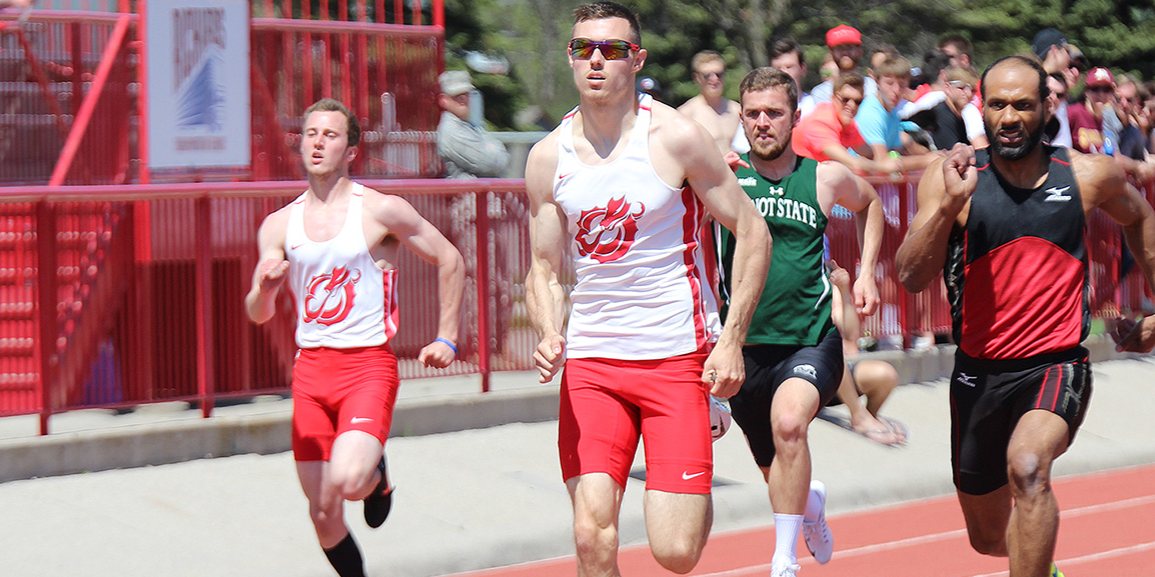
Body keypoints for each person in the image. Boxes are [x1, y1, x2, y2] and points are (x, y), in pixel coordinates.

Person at [523, 3, 772, 575]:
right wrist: (548, 330)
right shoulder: (547, 157)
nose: (595, 60)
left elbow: (753, 231)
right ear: (570, 56)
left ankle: (696, 466)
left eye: (611, 49)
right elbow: (543, 267)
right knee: (590, 534)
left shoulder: (676, 137)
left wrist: (732, 340)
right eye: (583, 48)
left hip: (674, 355)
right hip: (592, 360)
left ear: (636, 59)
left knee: (675, 552)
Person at [895, 55, 1155, 577]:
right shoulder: (951, 179)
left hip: (1057, 365)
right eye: (997, 105)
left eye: (1022, 105)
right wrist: (947, 208)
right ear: (982, 108)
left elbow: (1140, 216)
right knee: (989, 538)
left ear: (1047, 107)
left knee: (1029, 468)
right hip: (978, 372)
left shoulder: (1087, 175)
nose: (1009, 117)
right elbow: (909, 276)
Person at [246, 99, 465, 577]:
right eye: (310, 134)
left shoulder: (381, 210)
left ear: (350, 151)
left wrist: (447, 337)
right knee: (323, 513)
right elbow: (258, 312)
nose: (317, 143)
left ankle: (375, 475)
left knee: (347, 481)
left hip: (366, 366)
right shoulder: (279, 224)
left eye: (330, 135)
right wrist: (265, 289)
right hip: (310, 373)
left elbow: (450, 258)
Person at [719, 67, 882, 577]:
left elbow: (870, 203)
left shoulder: (823, 177)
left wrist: (867, 273)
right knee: (776, 470)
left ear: (794, 118)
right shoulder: (723, 178)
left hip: (809, 339)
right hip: (744, 347)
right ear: (741, 119)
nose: (762, 122)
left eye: (774, 113)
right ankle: (809, 504)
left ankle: (784, 560)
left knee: (790, 425)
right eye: (753, 114)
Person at [827, 260, 905, 446]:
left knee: (885, 375)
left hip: (837, 380)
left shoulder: (827, 286)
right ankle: (858, 416)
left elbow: (851, 334)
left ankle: (870, 416)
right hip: (806, 375)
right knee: (831, 353)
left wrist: (844, 292)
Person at [791, 73, 899, 174]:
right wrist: (883, 167)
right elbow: (852, 163)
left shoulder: (847, 123)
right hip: (795, 180)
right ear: (833, 98)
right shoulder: (819, 123)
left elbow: (870, 153)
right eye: (845, 99)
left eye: (858, 101)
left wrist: (893, 159)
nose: (851, 106)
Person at [855, 55, 941, 172]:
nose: (896, 90)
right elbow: (883, 162)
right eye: (889, 83)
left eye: (902, 85)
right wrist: (927, 160)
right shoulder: (871, 114)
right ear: (877, 82)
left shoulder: (892, 111)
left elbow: (897, 150)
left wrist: (936, 155)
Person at [436, 70, 510, 179]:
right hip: (467, 190)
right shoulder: (452, 130)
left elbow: (503, 160)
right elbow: (489, 163)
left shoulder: (468, 125)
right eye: (456, 95)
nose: (463, 99)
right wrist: (493, 148)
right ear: (444, 100)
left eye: (466, 93)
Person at [678, 50, 743, 154]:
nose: (714, 79)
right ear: (697, 78)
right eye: (707, 75)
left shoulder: (737, 110)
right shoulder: (686, 114)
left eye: (719, 74)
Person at [810, 25, 877, 108]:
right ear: (831, 53)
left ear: (860, 50)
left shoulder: (874, 88)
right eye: (839, 48)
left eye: (850, 47)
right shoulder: (822, 93)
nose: (845, 52)